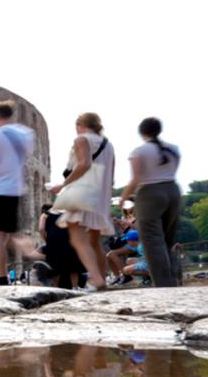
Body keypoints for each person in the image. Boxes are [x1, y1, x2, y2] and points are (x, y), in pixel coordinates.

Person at [49, 113, 115, 291]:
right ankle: (102, 281)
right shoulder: (108, 145)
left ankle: (95, 279)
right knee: (94, 241)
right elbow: (111, 178)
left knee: (77, 236)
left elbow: (84, 164)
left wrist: (63, 184)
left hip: (83, 189)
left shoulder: (81, 139)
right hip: (101, 193)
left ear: (79, 125)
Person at [0, 100, 40, 285]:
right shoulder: (26, 135)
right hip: (15, 190)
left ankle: (3, 278)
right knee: (13, 234)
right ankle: (35, 253)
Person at [119, 117, 182, 288]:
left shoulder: (139, 151)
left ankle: (163, 285)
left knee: (153, 242)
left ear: (142, 132)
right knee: (167, 240)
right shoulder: (174, 149)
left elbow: (137, 178)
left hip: (150, 193)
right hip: (173, 190)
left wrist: (123, 197)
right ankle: (172, 280)